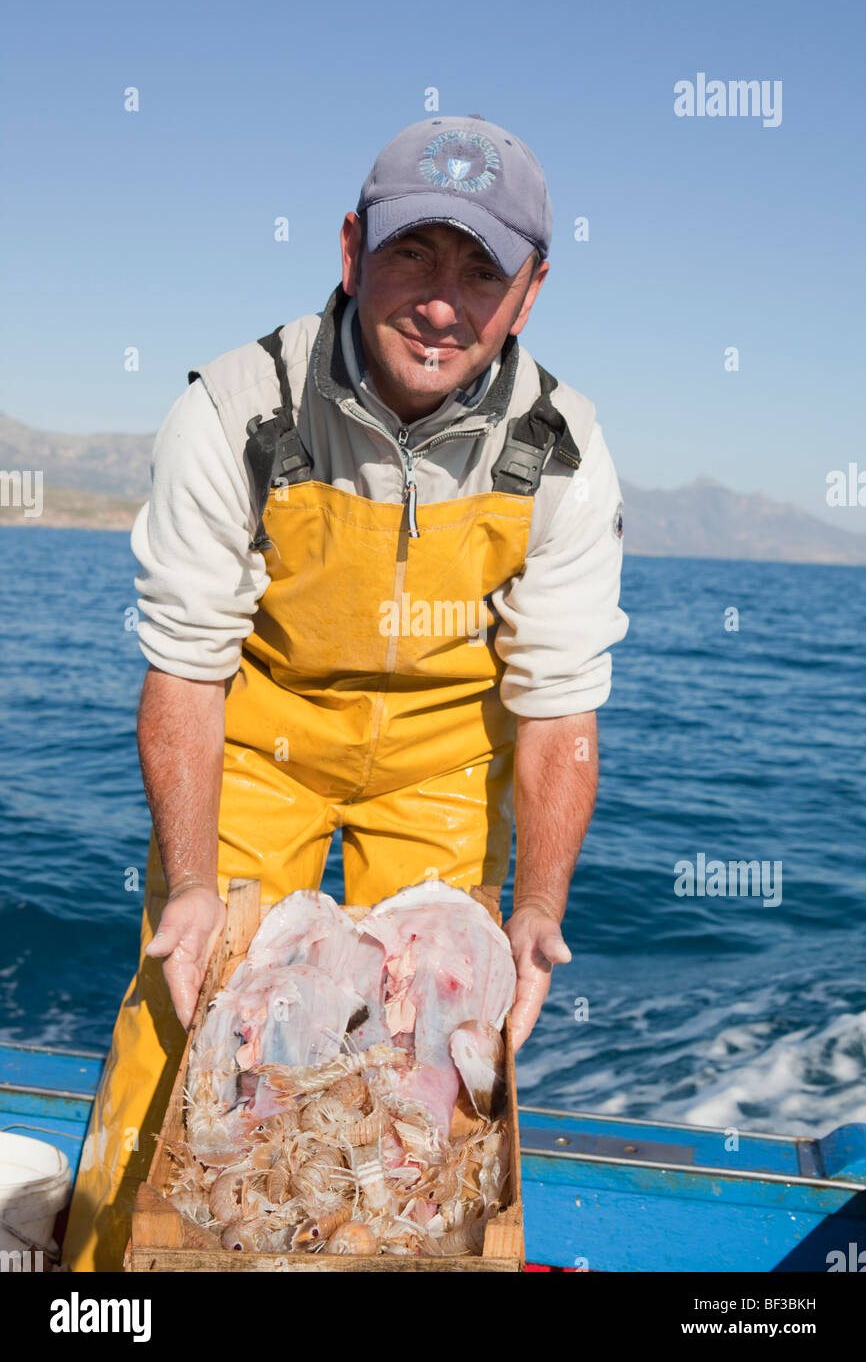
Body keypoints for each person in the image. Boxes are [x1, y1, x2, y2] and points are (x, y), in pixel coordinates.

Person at [62, 114, 628, 1270]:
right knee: (187, 1032)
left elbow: (559, 708)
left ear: (528, 293)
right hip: (260, 744)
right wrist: (186, 886)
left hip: (436, 766)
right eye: (413, 253)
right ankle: (107, 1282)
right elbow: (184, 666)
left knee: (435, 1063)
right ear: (348, 250)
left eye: (480, 269)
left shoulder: (563, 448)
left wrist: (534, 915)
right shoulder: (233, 409)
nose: (440, 300)